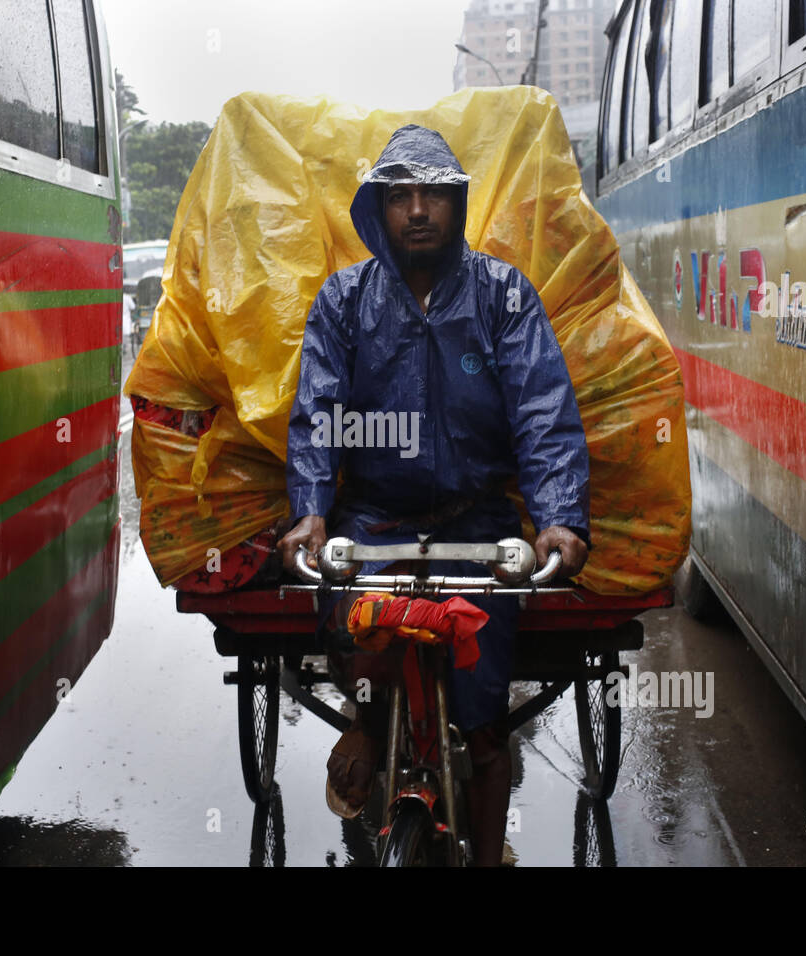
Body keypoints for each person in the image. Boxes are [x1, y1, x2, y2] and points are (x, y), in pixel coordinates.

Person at [277, 124, 591, 866]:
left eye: (433, 196)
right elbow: (318, 411)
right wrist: (311, 513)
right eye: (400, 197)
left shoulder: (503, 294)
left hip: (476, 526)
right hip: (372, 522)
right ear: (378, 210)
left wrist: (557, 520)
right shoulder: (345, 301)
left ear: (456, 205)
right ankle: (363, 719)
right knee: (356, 627)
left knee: (483, 725)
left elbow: (543, 412)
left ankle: (487, 852)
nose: (418, 210)